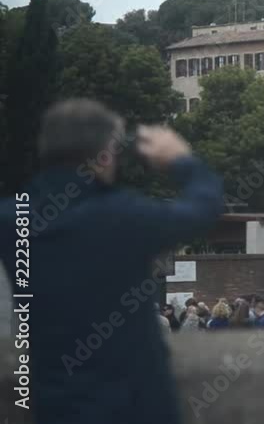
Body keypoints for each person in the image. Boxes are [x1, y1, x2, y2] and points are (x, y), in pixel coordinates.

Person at [0, 101, 226, 424]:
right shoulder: (123, 215)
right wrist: (180, 160)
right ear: (105, 156)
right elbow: (203, 208)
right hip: (137, 409)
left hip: (57, 409)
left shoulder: (13, 220)